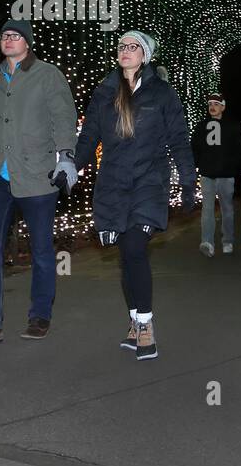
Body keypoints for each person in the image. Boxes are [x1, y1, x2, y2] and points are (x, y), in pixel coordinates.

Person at [74, 30, 196, 360]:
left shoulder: (162, 93)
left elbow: (179, 140)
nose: (125, 51)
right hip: (113, 184)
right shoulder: (104, 92)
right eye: (122, 46)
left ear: (145, 55)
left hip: (148, 182)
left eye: (133, 47)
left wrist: (187, 181)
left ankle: (145, 324)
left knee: (134, 248)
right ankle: (133, 320)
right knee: (126, 257)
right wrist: (72, 166)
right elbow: (88, 136)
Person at [0, 20, 79, 348]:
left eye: (15, 35)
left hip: (38, 175)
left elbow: (64, 119)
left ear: (27, 42)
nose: (8, 39)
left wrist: (66, 158)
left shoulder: (47, 74)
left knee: (41, 249)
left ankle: (40, 316)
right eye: (4, 36)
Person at [192, 93, 241, 257]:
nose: (212, 106)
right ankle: (207, 242)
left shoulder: (232, 127)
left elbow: (239, 149)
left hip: (226, 176)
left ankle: (227, 240)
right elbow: (195, 148)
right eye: (210, 104)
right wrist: (200, 165)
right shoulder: (201, 127)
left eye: (216, 103)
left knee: (227, 209)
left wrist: (233, 167)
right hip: (207, 175)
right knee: (207, 209)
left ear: (223, 107)